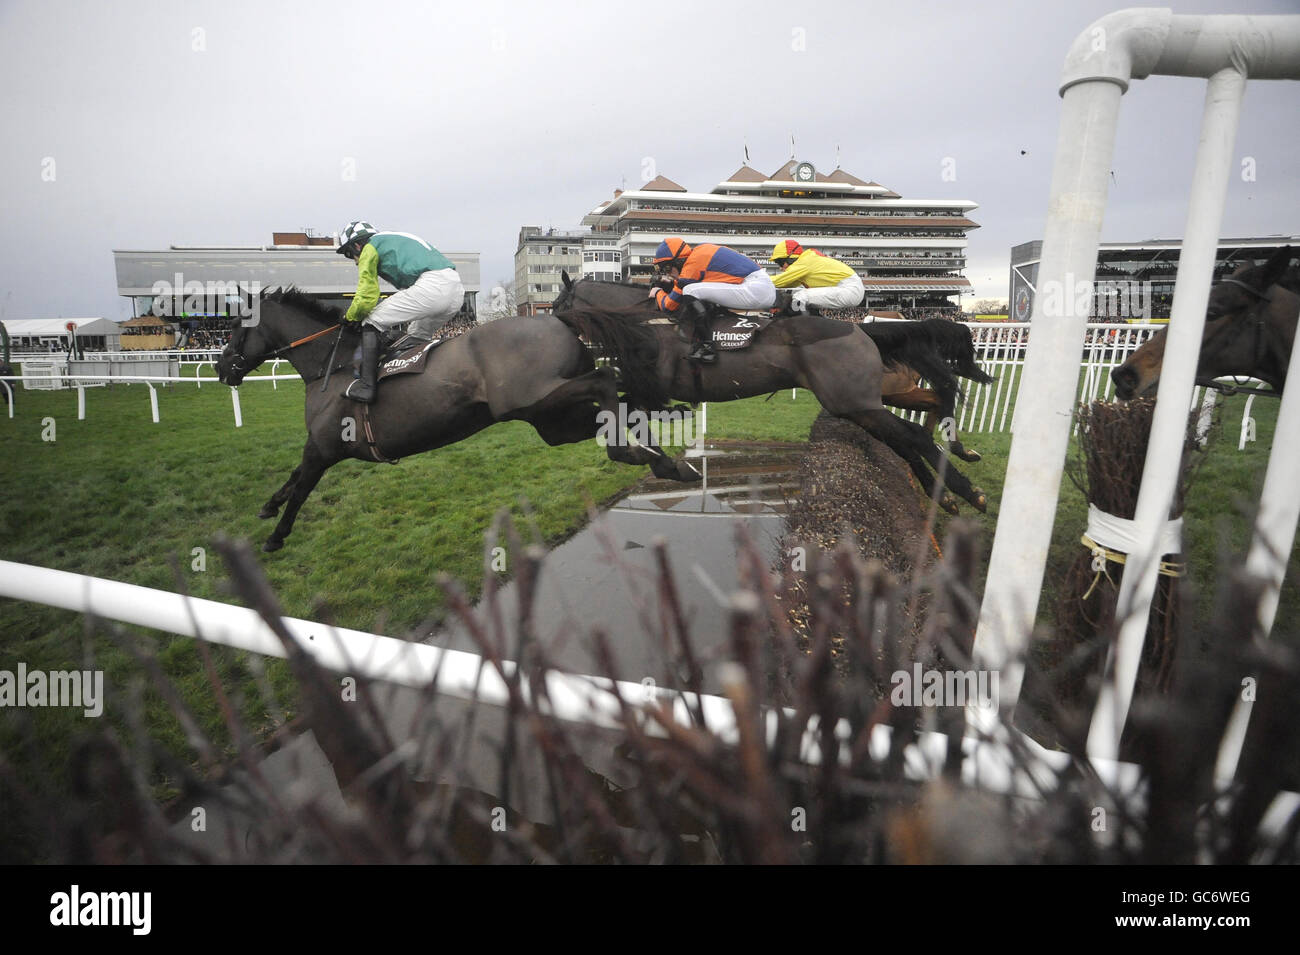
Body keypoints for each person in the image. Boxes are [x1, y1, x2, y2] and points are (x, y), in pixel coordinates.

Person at [336, 220, 464, 403]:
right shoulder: (389, 239)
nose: (355, 261)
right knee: (417, 335)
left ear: (357, 245)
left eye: (350, 255)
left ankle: (367, 387)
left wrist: (350, 317)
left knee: (370, 320)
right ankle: (418, 382)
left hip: (433, 286)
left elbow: (367, 296)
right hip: (455, 290)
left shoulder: (369, 248)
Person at [649, 237, 775, 363]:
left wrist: (658, 292)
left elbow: (668, 305)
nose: (668, 274)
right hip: (759, 286)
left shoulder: (692, 265)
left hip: (756, 289)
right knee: (696, 291)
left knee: (690, 291)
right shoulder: (698, 254)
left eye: (667, 269)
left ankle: (706, 347)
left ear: (678, 261)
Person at [769, 240, 865, 315]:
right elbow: (786, 284)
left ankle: (800, 323)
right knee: (800, 295)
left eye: (780, 262)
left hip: (849, 289)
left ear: (791, 258)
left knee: (801, 295)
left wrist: (757, 277)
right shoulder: (805, 261)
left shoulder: (803, 262)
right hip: (849, 288)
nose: (781, 267)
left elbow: (777, 281)